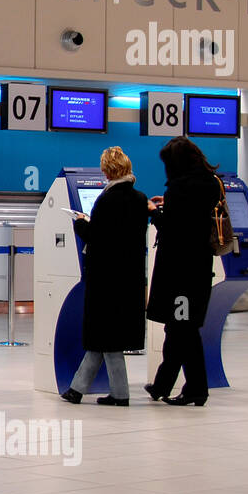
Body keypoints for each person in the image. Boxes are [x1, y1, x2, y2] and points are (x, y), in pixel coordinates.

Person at [61, 147, 149, 407]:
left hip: (106, 279)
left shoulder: (106, 200)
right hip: (130, 278)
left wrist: (80, 223)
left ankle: (120, 394)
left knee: (106, 338)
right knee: (103, 338)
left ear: (108, 170)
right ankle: (76, 390)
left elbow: (96, 236)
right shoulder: (139, 199)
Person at [145, 136, 221, 407]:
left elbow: (174, 230)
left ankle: (197, 389)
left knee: (183, 330)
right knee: (179, 328)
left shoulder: (179, 188)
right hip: (199, 269)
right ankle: (162, 385)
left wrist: (155, 212)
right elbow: (194, 220)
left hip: (179, 274)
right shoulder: (211, 184)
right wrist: (168, 203)